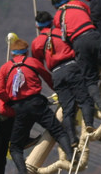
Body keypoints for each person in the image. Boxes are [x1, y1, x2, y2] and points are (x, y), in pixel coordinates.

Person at [0, 37, 73, 174]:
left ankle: (22, 173)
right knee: (57, 131)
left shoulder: (5, 68)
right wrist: (61, 93)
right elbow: (49, 79)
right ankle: (71, 156)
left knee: (15, 147)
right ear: (26, 52)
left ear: (12, 54)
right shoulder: (33, 62)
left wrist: (10, 101)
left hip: (19, 108)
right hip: (37, 103)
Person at [31, 10, 95, 149]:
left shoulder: (37, 43)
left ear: (37, 26)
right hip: (72, 67)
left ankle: (72, 138)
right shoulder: (62, 32)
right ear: (52, 21)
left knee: (67, 109)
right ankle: (89, 124)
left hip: (56, 74)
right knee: (84, 99)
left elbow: (37, 64)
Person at [51, 0, 101, 115]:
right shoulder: (78, 4)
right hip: (93, 36)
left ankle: (99, 107)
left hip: (75, 53)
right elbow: (91, 17)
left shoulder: (57, 19)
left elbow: (65, 38)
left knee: (89, 81)